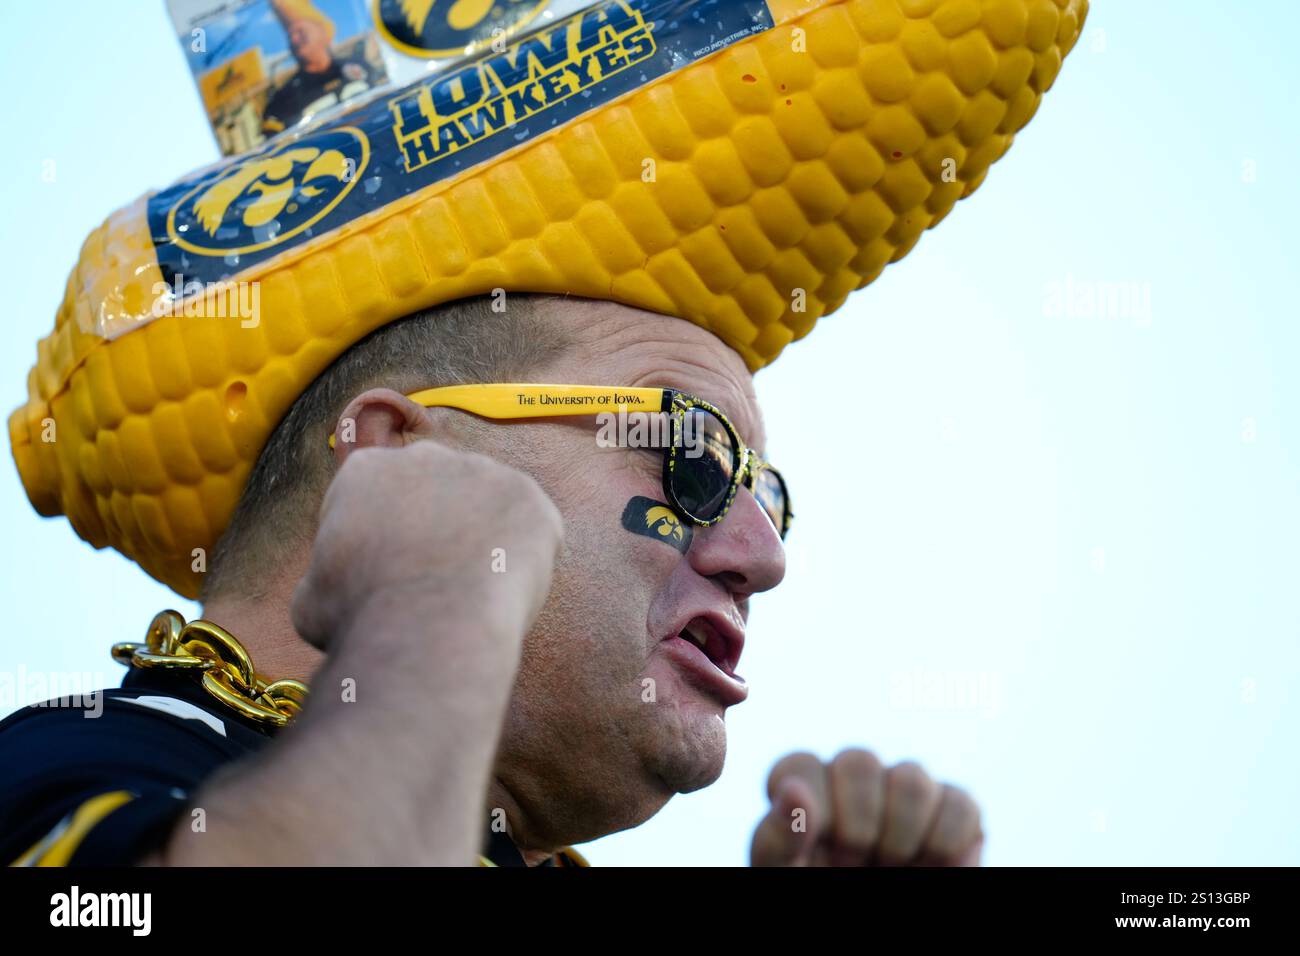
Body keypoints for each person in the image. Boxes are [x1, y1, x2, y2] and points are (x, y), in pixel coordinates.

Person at [3, 0, 1088, 866]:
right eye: (695, 456)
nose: (762, 554)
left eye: (769, 492)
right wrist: (434, 602)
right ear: (394, 456)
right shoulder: (75, 758)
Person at [260, 0, 375, 138]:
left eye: (300, 32)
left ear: (323, 32)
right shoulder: (282, 99)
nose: (295, 40)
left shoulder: (358, 65)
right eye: (290, 36)